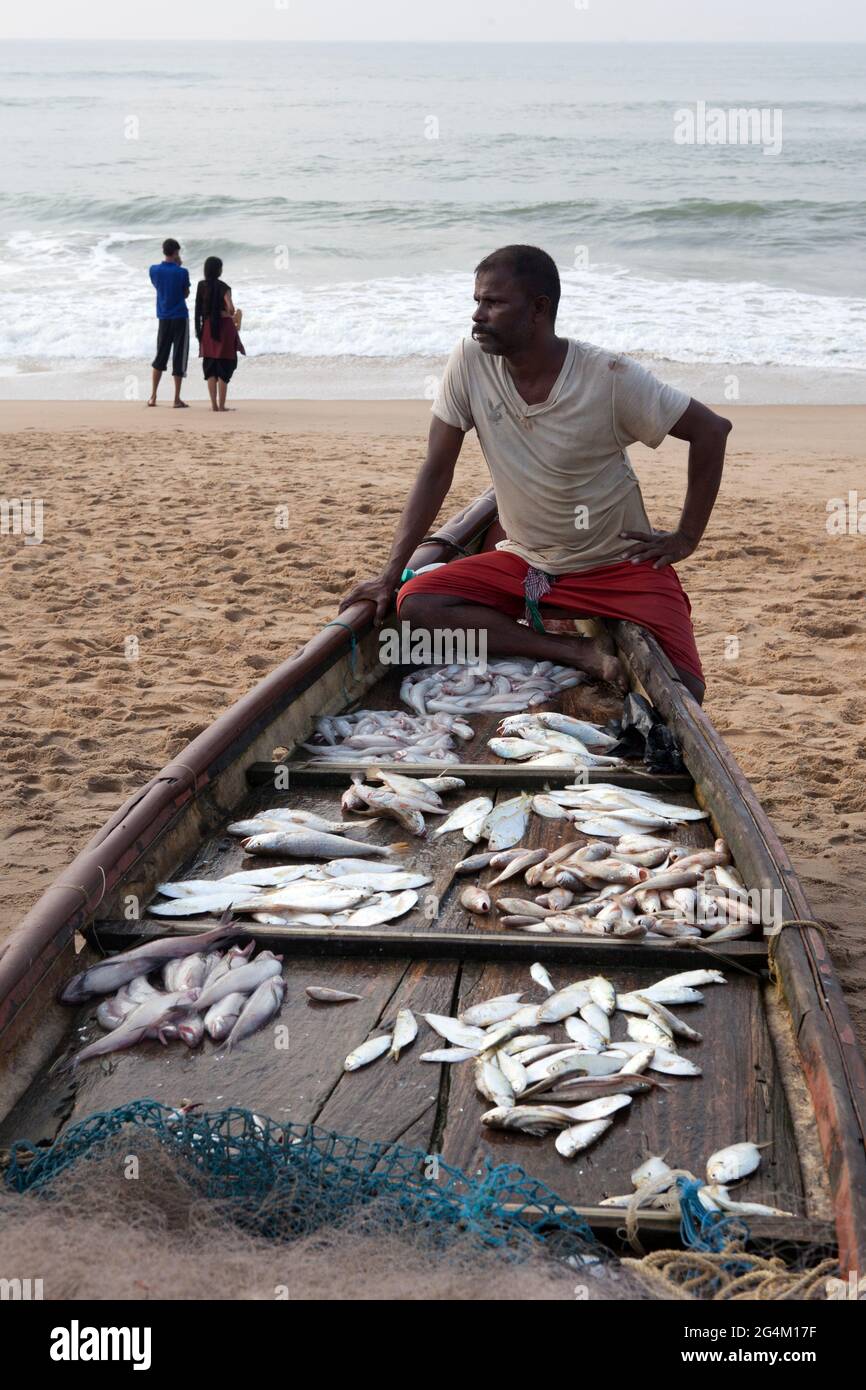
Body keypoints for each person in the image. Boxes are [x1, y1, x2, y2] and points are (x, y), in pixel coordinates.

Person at [339, 245, 732, 704]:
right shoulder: (470, 361)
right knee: (418, 606)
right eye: (476, 301)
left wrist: (686, 538)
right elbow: (435, 468)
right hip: (526, 563)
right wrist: (390, 574)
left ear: (539, 309)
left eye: (494, 303)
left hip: (614, 566)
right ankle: (573, 650)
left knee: (687, 690)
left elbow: (711, 431)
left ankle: (569, 638)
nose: (478, 316)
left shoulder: (608, 376)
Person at [194, 257, 245, 412]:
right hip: (224, 328)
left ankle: (214, 406)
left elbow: (199, 309)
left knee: (210, 366)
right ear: (218, 270)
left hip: (208, 328)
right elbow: (230, 308)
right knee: (224, 365)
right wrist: (234, 313)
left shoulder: (201, 286)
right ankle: (222, 406)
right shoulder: (224, 287)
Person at [148, 238, 191, 408]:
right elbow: (186, 293)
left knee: (160, 356)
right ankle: (176, 399)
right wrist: (179, 267)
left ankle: (153, 396)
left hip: (163, 317)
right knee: (179, 357)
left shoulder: (154, 270)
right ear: (175, 253)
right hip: (180, 316)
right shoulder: (182, 272)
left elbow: (158, 287)